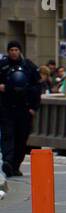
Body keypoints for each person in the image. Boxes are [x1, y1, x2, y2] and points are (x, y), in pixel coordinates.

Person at [0, 42, 42, 177]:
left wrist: (33, 107)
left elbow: (37, 88)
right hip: (6, 108)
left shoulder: (28, 66)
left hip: (24, 109)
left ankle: (16, 165)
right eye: (11, 50)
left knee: (21, 138)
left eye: (16, 49)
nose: (13, 52)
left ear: (20, 51)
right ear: (8, 51)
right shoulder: (2, 66)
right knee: (8, 135)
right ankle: (7, 161)